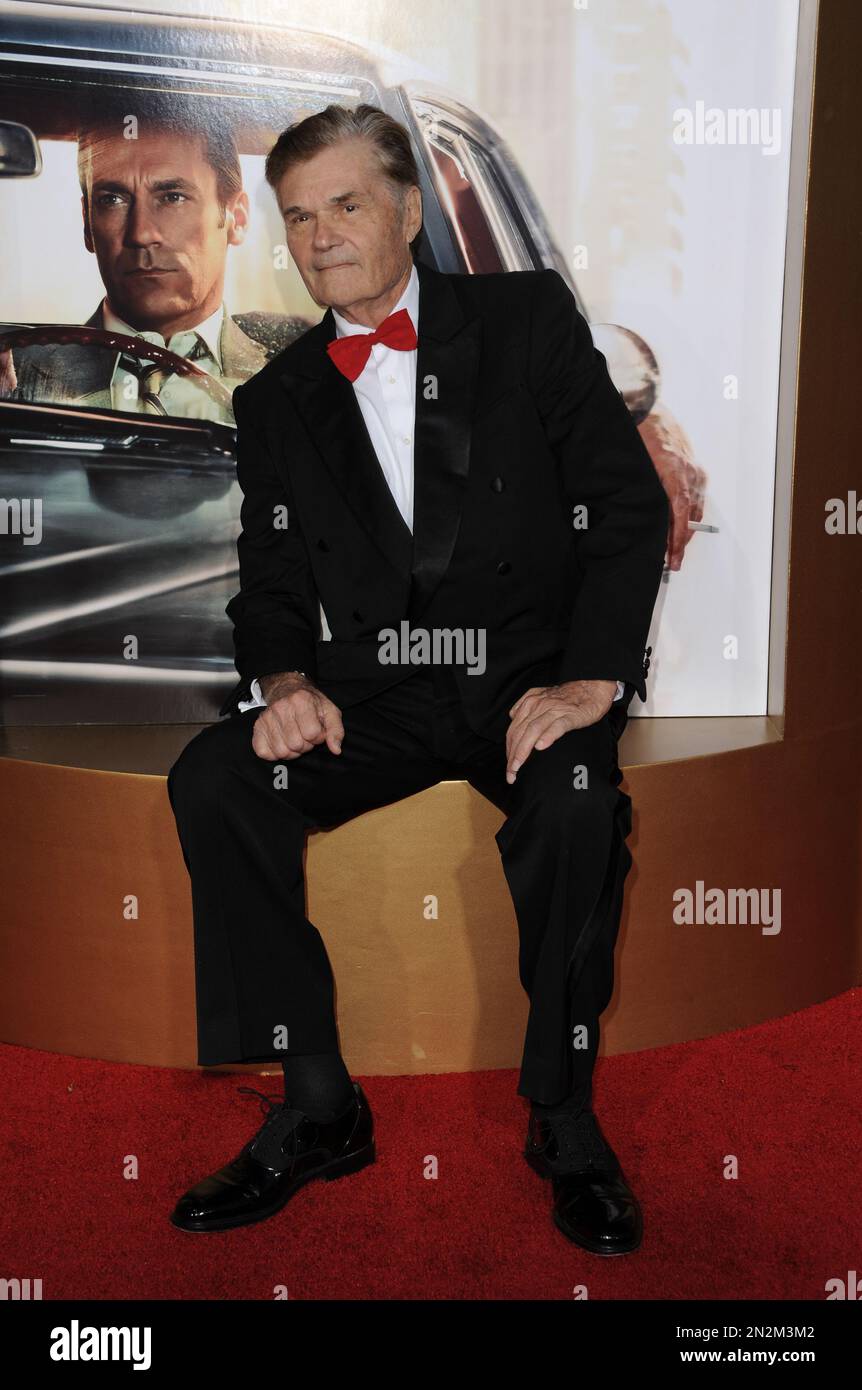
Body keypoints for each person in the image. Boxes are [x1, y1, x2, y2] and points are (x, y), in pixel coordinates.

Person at [166, 103, 670, 1254]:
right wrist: (284, 676)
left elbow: (623, 505)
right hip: (377, 690)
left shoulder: (526, 318)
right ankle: (317, 1101)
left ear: (406, 209)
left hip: (523, 681)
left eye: (345, 204)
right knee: (216, 782)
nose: (320, 235)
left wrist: (595, 678)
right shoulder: (278, 397)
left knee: (580, 804)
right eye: (297, 217)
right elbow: (274, 576)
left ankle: (563, 1115)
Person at [3, 94, 268, 422]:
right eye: (112, 199)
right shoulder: (14, 378)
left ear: (236, 219)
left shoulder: (300, 374)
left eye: (173, 197)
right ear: (87, 225)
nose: (141, 233)